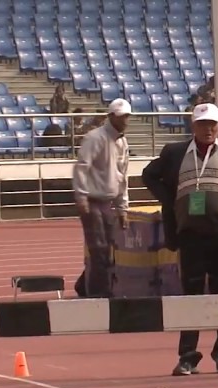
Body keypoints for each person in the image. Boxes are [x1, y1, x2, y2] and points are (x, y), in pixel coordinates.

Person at [141, 103, 218, 376]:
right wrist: (171, 199)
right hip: (190, 236)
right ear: (193, 126)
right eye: (202, 124)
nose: (207, 129)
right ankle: (187, 356)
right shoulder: (174, 152)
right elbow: (148, 175)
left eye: (212, 124)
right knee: (192, 296)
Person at [71, 98, 132, 298]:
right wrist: (81, 197)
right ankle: (100, 294)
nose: (125, 120)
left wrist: (122, 207)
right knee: (99, 249)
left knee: (108, 248)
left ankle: (85, 286)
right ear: (111, 116)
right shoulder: (94, 138)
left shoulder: (122, 142)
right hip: (92, 200)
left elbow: (122, 175)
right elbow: (82, 167)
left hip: (107, 202)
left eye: (127, 117)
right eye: (121, 117)